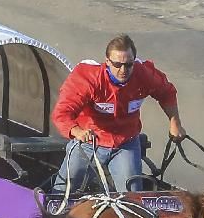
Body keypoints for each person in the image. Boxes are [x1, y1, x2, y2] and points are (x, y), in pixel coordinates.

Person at [51, 33, 186, 196]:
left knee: (132, 196)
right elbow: (61, 114)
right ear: (107, 62)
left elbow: (167, 92)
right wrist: (76, 131)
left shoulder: (144, 74)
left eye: (129, 65)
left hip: (125, 144)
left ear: (134, 61)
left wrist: (175, 123)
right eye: (117, 64)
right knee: (62, 190)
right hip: (89, 142)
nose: (123, 70)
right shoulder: (88, 78)